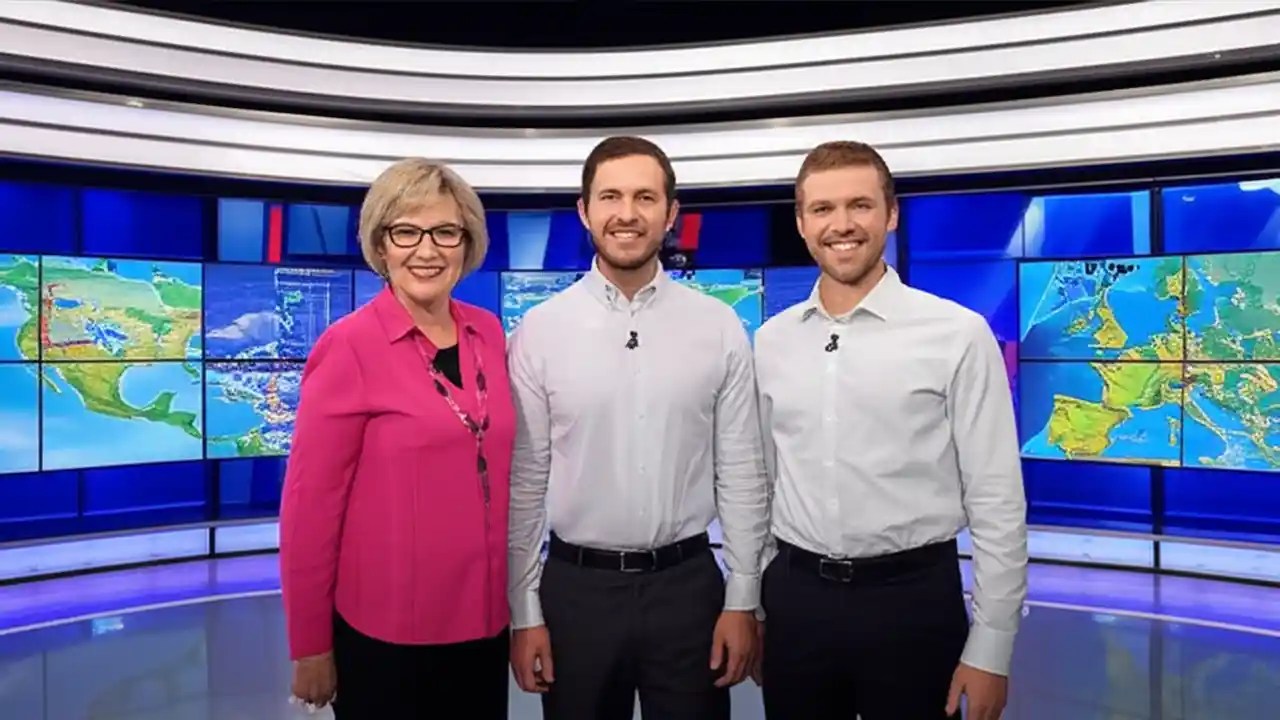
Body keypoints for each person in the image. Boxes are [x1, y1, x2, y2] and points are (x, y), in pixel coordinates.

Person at [752, 141, 1028, 720]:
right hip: (796, 602)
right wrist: (751, 601)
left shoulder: (956, 334)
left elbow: (997, 499)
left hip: (913, 604)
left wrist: (992, 648)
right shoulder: (771, 341)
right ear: (802, 223)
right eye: (822, 209)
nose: (842, 225)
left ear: (891, 214)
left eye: (860, 205)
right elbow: (763, 482)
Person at [506, 135, 770, 720]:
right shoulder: (539, 332)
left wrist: (742, 598)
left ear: (670, 213)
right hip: (576, 592)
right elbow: (525, 484)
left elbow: (743, 473)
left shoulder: (718, 327)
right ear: (585, 210)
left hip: (690, 589)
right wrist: (526, 611)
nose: (627, 213)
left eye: (645, 197)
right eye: (611, 197)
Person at [279, 158, 515, 718]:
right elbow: (310, 510)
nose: (426, 250)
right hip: (386, 640)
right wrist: (310, 645)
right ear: (381, 246)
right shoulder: (348, 347)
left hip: (483, 626)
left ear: (467, 243)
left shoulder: (488, 332)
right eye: (406, 232)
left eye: (445, 232)